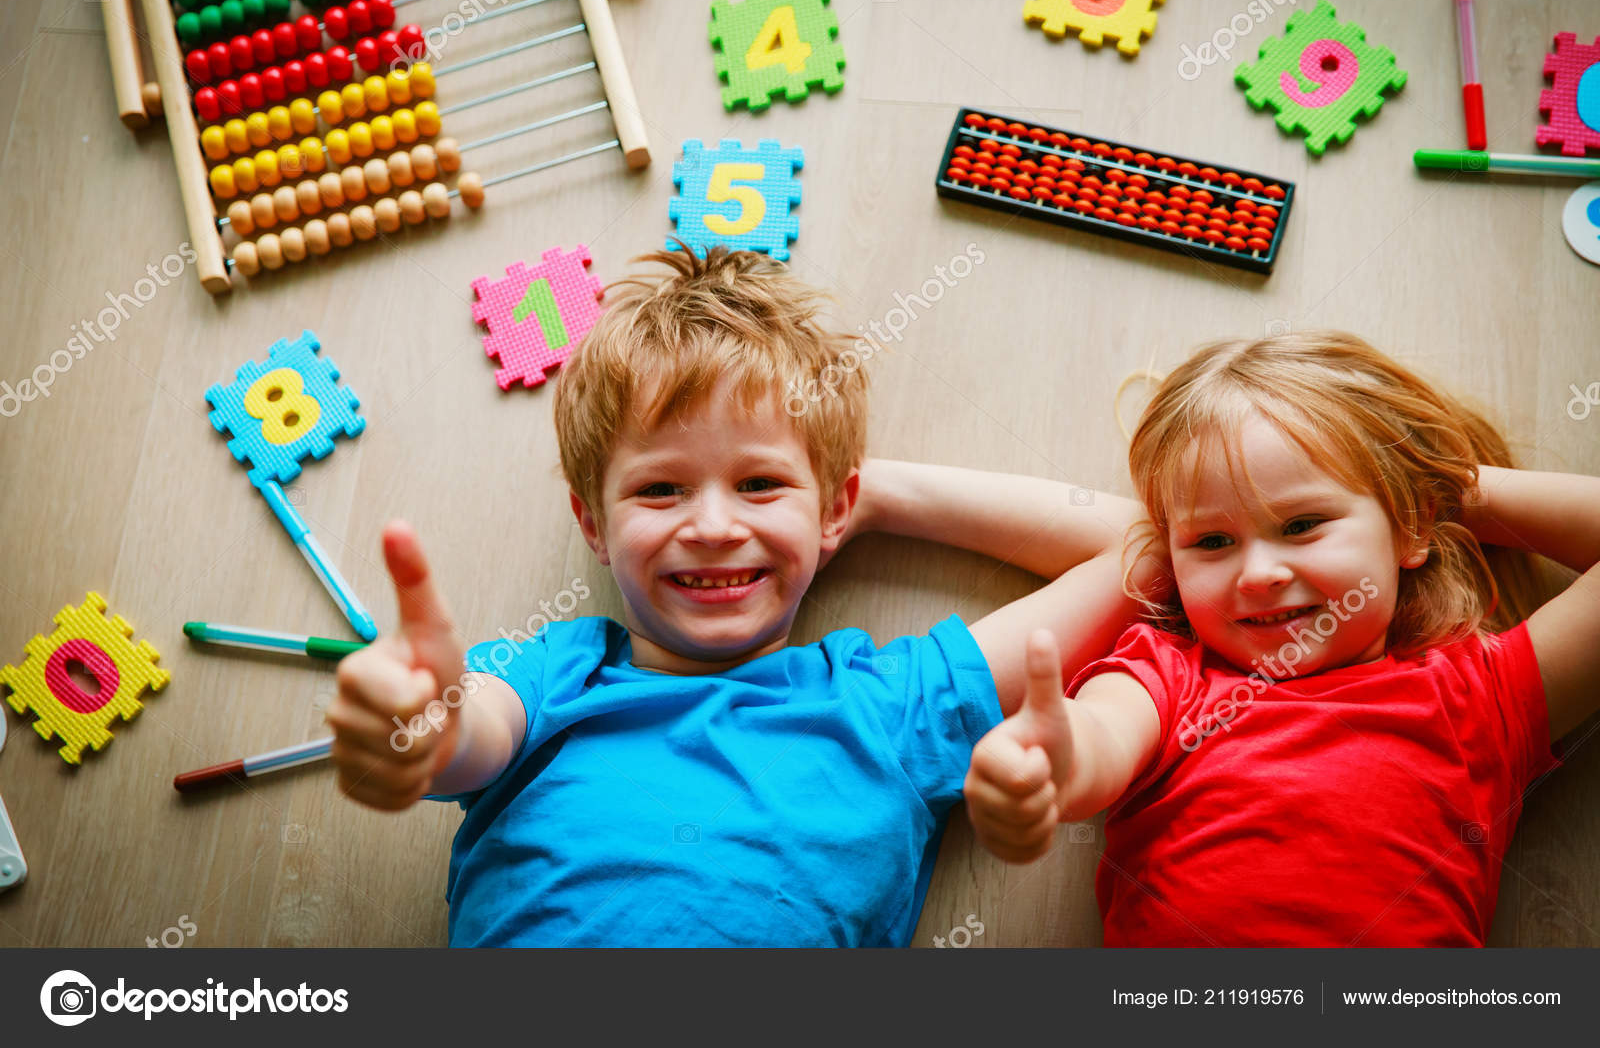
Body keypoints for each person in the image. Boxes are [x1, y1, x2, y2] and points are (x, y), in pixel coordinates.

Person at [326, 244, 1144, 946]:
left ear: (834, 509)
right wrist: (417, 727)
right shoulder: (554, 671)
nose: (714, 524)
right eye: (659, 489)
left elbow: (1142, 548)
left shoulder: (890, 707)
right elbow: (462, 735)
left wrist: (859, 496)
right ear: (593, 523)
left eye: (756, 483)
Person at [965, 329, 1598, 946]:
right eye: (1212, 541)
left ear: (1409, 527)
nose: (1260, 574)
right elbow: (1101, 734)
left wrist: (1432, 484)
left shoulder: (1482, 695)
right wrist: (1054, 762)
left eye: (1301, 524)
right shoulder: (1168, 678)